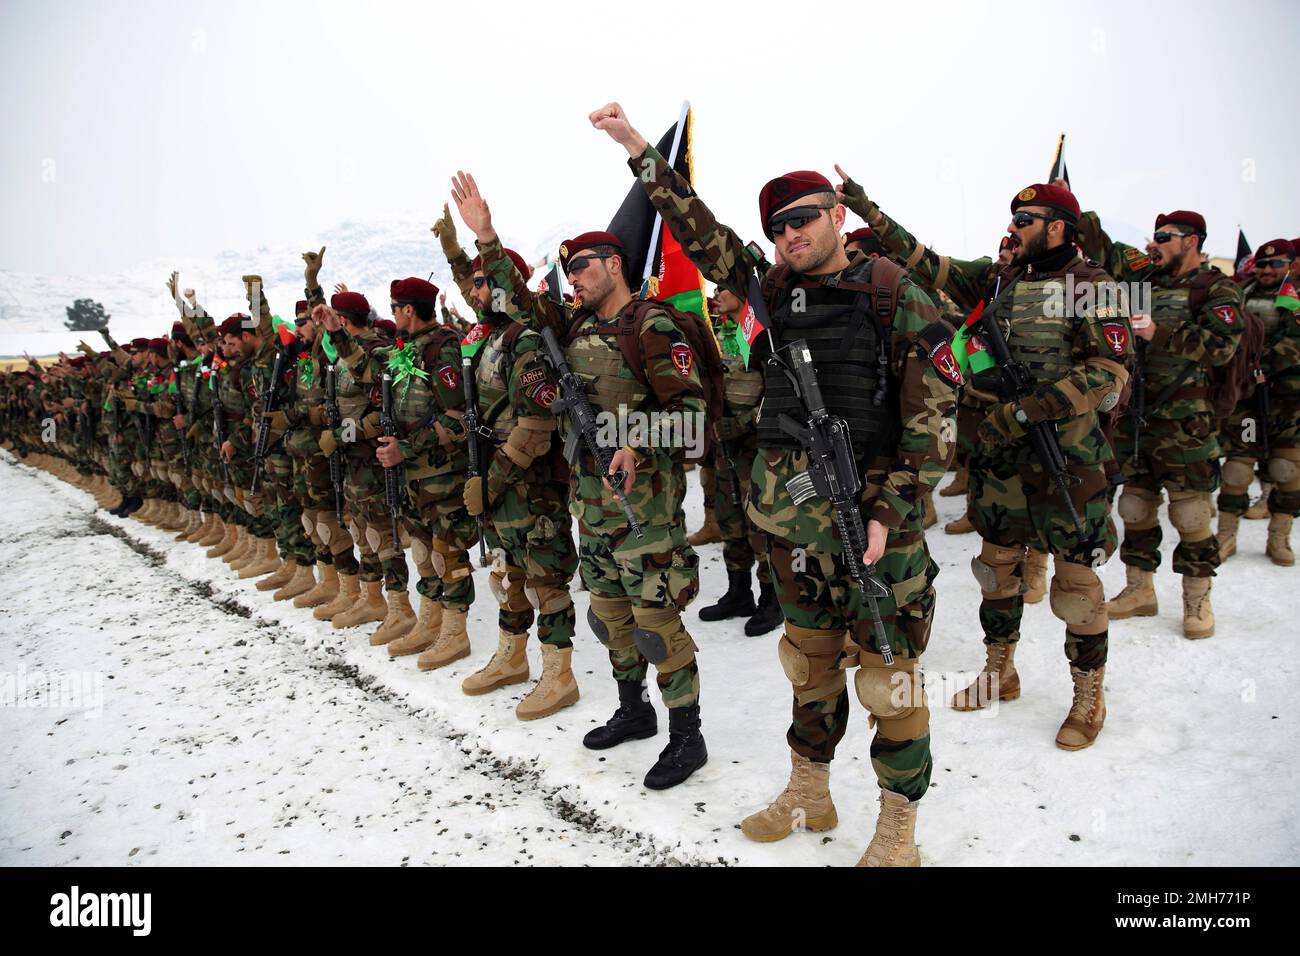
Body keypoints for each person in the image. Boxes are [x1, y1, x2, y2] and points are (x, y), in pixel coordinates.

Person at [591, 102, 959, 863]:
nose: (791, 235)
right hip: (795, 531)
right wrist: (636, 148)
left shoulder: (896, 293)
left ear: (834, 214)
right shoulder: (769, 291)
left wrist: (889, 510)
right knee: (809, 665)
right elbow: (700, 231)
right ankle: (809, 791)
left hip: (877, 533)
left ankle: (898, 827)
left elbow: (937, 422)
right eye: (779, 227)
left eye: (803, 219)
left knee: (893, 682)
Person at [450, 167, 710, 790]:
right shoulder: (572, 326)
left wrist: (635, 445)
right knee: (612, 617)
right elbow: (515, 299)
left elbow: (692, 418)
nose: (574, 278)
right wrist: (486, 236)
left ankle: (687, 734)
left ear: (616, 264)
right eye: (568, 271)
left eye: (584, 266)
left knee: (657, 622)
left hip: (643, 511)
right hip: (590, 505)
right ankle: (632, 710)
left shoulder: (651, 326)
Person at [854, 177, 1131, 749]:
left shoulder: (1092, 287)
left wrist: (1030, 411)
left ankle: (1088, 697)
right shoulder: (1001, 277)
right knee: (995, 572)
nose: (1014, 229)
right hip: (1001, 458)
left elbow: (1109, 369)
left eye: (1025, 221)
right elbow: (927, 262)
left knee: (1077, 588)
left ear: (1058, 227)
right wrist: (866, 209)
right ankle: (999, 672)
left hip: (1068, 460)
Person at [1079, 209, 1243, 638]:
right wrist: (1076, 213)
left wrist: (1160, 332)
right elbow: (1106, 251)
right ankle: (1139, 591)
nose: (1155, 243)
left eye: (1165, 236)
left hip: (1188, 423)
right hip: (1140, 419)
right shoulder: (1145, 282)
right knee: (1134, 506)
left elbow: (1223, 348)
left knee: (1190, 514)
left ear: (1191, 241)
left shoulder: (1216, 288)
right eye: (1153, 235)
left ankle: (1197, 601)